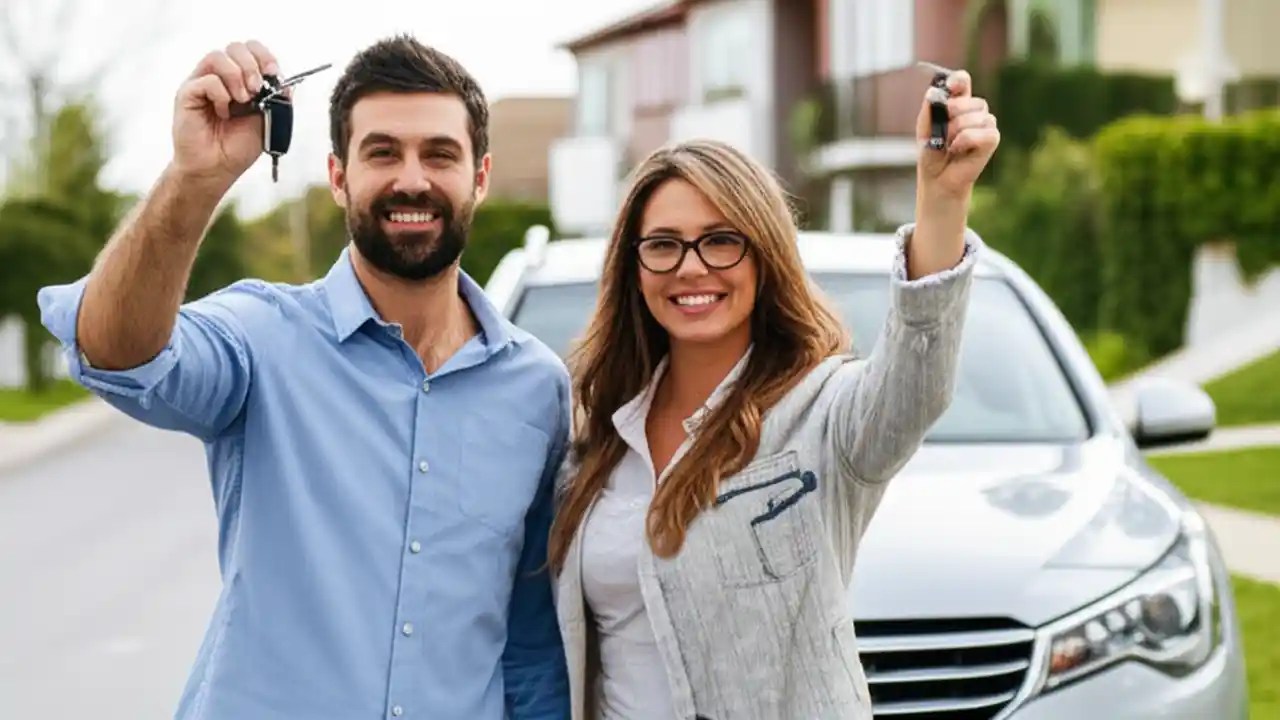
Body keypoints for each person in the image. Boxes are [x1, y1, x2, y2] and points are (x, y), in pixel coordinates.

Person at [36, 35, 569, 720]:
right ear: (339, 174)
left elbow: (527, 642)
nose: (412, 179)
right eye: (382, 152)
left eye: (439, 154)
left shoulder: (536, 388)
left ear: (481, 176)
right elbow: (117, 352)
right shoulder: (262, 337)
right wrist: (194, 180)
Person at [546, 69, 999, 720]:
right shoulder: (594, 433)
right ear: (632, 267)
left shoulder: (824, 413)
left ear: (764, 256)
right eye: (664, 246)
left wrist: (942, 201)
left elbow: (914, 389)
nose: (692, 267)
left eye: (722, 241)